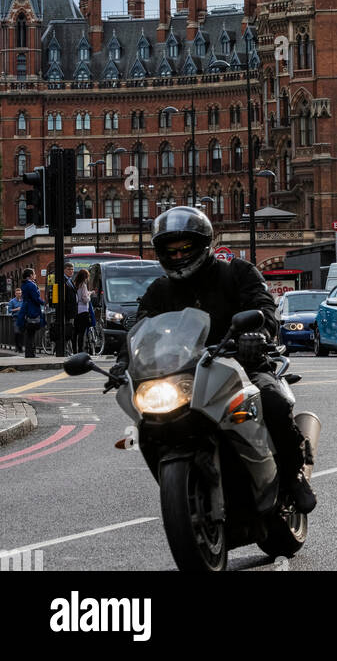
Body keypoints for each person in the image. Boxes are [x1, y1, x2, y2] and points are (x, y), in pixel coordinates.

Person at [106, 207, 315, 514]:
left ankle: (294, 477)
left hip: (242, 363)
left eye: (185, 249)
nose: (178, 256)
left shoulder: (237, 273)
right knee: (149, 422)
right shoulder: (159, 290)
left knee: (272, 402)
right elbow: (141, 329)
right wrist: (123, 362)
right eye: (170, 250)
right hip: (186, 374)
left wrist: (256, 335)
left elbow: (264, 309)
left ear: (203, 245)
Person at [15, 268, 44, 358]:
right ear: (30, 275)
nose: (35, 275)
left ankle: (30, 353)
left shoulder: (25, 284)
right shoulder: (31, 285)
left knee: (30, 332)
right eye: (34, 274)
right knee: (31, 332)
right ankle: (30, 353)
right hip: (32, 310)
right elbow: (36, 298)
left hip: (27, 309)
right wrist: (43, 302)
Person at [73, 269, 93, 353]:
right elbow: (85, 299)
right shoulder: (83, 285)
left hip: (76, 311)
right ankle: (80, 350)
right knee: (81, 333)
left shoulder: (75, 284)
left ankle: (74, 350)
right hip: (83, 311)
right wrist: (89, 296)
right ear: (85, 277)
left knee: (75, 333)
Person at [62, 262, 77, 350]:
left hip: (72, 311)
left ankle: (67, 349)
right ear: (64, 270)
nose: (71, 271)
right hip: (66, 311)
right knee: (67, 331)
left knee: (69, 330)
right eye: (69, 269)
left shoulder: (70, 280)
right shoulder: (63, 280)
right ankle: (64, 349)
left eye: (72, 269)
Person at [7, 286, 24, 353]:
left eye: (20, 293)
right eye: (17, 293)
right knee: (17, 332)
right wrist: (16, 309)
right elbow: (9, 310)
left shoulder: (23, 300)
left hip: (23, 319)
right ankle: (17, 346)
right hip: (16, 319)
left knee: (22, 334)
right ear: (15, 294)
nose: (19, 294)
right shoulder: (12, 301)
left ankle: (20, 348)